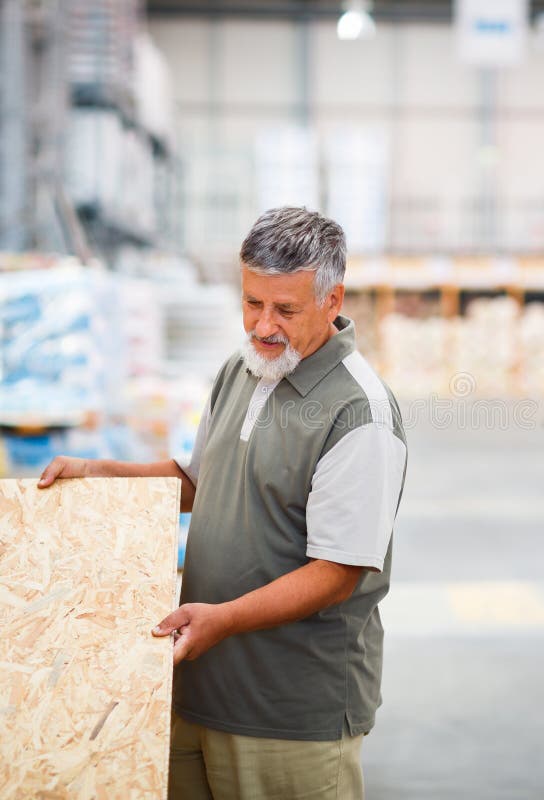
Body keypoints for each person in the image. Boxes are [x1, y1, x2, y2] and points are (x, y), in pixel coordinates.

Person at [38, 207, 408, 800]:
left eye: (284, 310)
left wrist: (222, 618)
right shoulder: (244, 368)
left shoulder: (358, 411)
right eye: (251, 303)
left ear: (332, 299)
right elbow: (199, 482)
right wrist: (99, 471)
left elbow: (339, 572)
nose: (262, 326)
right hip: (198, 689)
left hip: (287, 714)